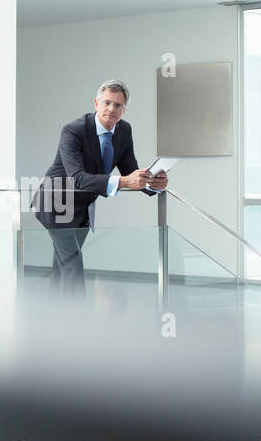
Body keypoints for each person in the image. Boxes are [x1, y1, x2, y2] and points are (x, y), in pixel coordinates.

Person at [30, 79, 168, 296]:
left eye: (118, 105)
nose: (111, 109)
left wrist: (152, 183)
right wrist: (124, 182)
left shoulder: (123, 130)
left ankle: (55, 316)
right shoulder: (73, 131)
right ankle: (79, 322)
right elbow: (77, 178)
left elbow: (129, 169)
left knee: (63, 266)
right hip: (55, 204)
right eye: (107, 103)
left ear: (124, 109)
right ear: (96, 103)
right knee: (72, 265)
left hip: (82, 208)